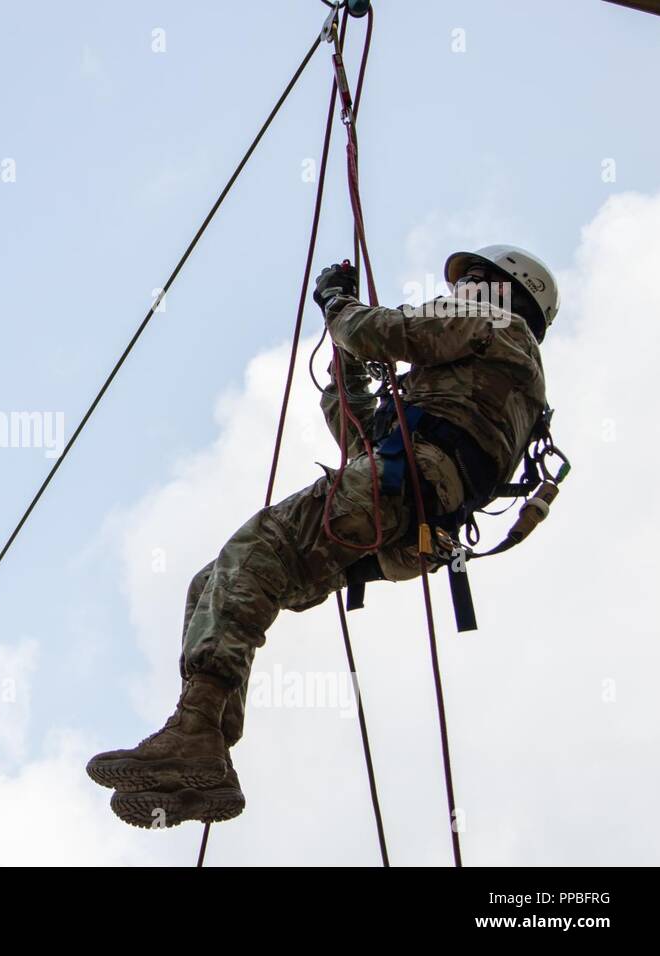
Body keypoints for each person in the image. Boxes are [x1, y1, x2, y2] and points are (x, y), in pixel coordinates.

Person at [87, 245, 559, 828]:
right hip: (404, 507)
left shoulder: (496, 324)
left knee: (256, 546)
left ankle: (196, 732)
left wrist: (338, 304)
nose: (462, 294)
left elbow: (381, 330)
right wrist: (347, 366)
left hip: (403, 490)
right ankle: (202, 752)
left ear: (502, 289)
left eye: (474, 284)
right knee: (213, 582)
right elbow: (360, 433)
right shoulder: (477, 382)